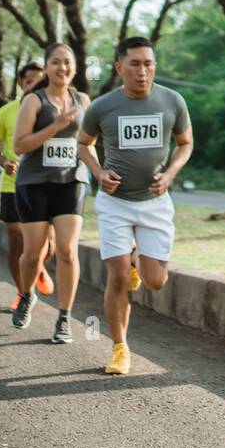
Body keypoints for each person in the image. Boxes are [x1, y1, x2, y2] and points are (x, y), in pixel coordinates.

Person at [78, 37, 193, 375]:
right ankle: (119, 349)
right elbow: (83, 143)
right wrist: (98, 172)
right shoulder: (102, 106)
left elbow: (186, 143)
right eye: (135, 64)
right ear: (119, 67)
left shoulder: (172, 101)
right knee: (116, 277)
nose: (143, 71)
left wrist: (170, 174)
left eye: (149, 64)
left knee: (155, 281)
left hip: (155, 202)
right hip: (115, 202)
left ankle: (136, 262)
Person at [11, 43, 90, 343]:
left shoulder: (82, 100)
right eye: (56, 62)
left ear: (75, 67)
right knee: (33, 254)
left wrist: (96, 169)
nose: (62, 68)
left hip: (71, 182)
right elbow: (20, 146)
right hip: (34, 183)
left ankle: (64, 318)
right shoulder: (34, 101)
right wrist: (55, 126)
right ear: (47, 67)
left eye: (67, 62)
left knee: (69, 251)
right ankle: (26, 294)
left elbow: (89, 140)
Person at [0, 62, 55, 311]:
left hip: (45, 185)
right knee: (16, 241)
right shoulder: (6, 112)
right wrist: (4, 162)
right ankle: (22, 292)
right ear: (20, 83)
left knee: (50, 245)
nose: (34, 87)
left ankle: (38, 266)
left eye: (39, 82)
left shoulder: (51, 110)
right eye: (30, 83)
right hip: (12, 186)